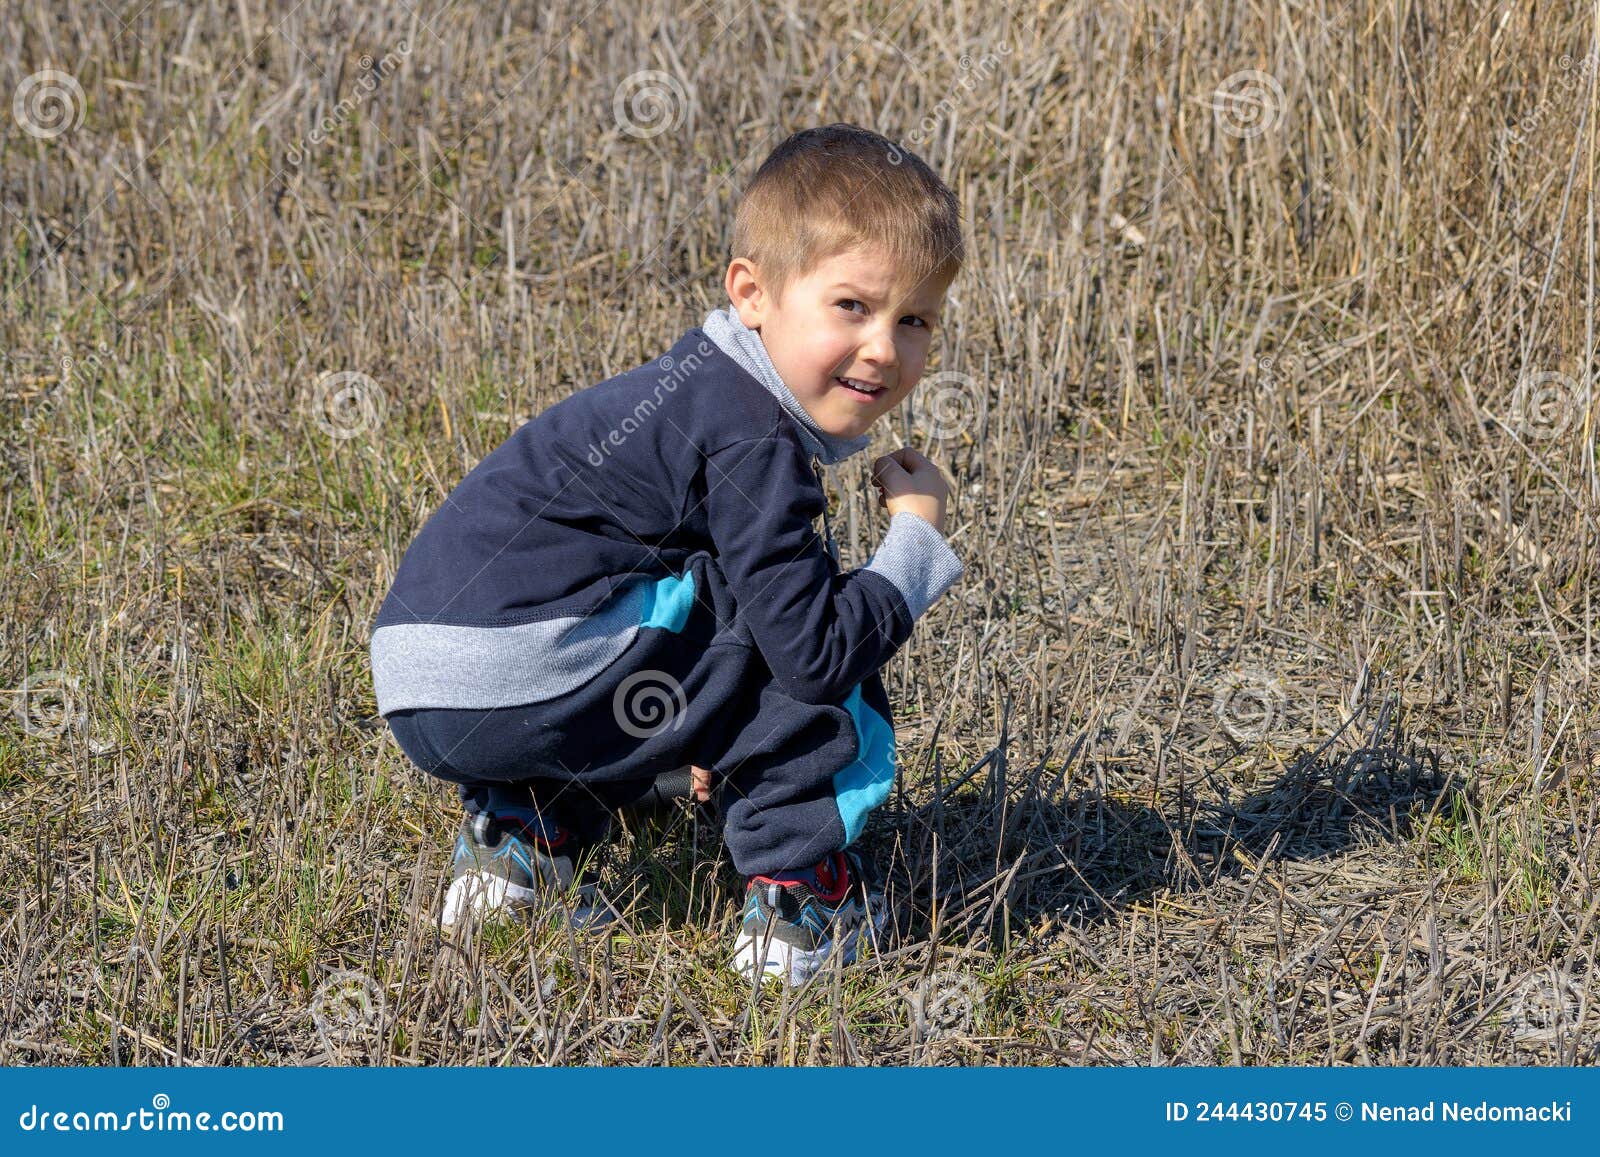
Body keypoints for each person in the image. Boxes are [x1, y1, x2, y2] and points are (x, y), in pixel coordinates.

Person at [370, 122, 965, 984]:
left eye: (914, 319)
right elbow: (813, 652)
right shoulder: (751, 440)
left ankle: (523, 837)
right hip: (522, 663)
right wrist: (913, 543)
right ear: (751, 291)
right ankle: (802, 904)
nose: (884, 346)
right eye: (853, 306)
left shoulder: (697, 392)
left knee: (700, 608)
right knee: (799, 632)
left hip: (431, 681)